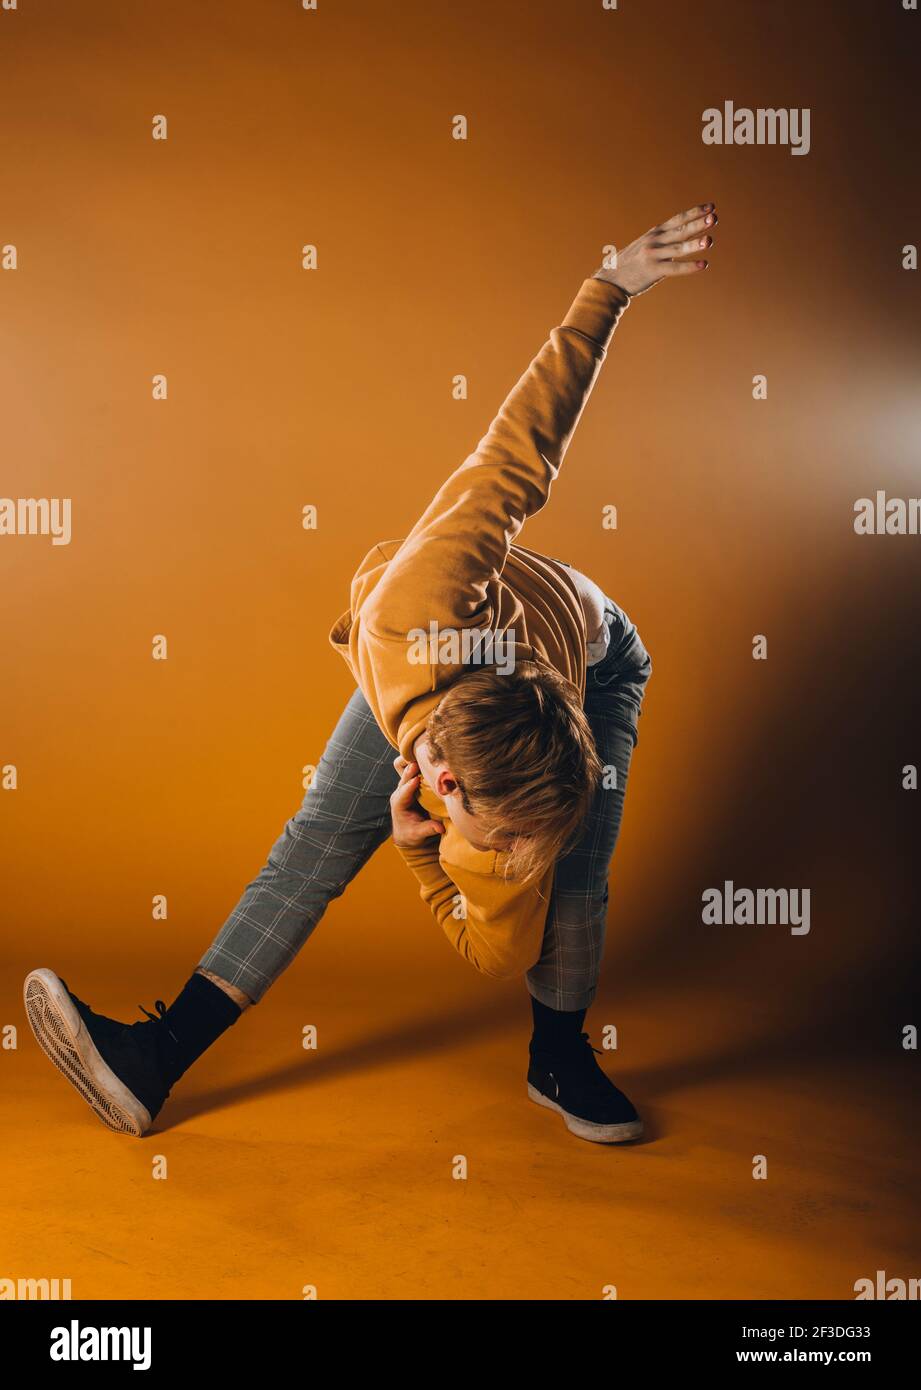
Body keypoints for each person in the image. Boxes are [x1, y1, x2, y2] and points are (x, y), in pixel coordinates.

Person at [23, 203, 718, 1145]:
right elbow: (519, 452)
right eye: (498, 834)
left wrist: (423, 855)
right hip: (455, 644)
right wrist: (609, 289)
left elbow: (492, 944)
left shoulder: (520, 789)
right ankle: (155, 1058)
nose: (507, 853)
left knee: (578, 873)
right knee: (312, 841)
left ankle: (558, 1054)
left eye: (507, 843)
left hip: (595, 662)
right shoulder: (417, 609)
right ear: (437, 779)